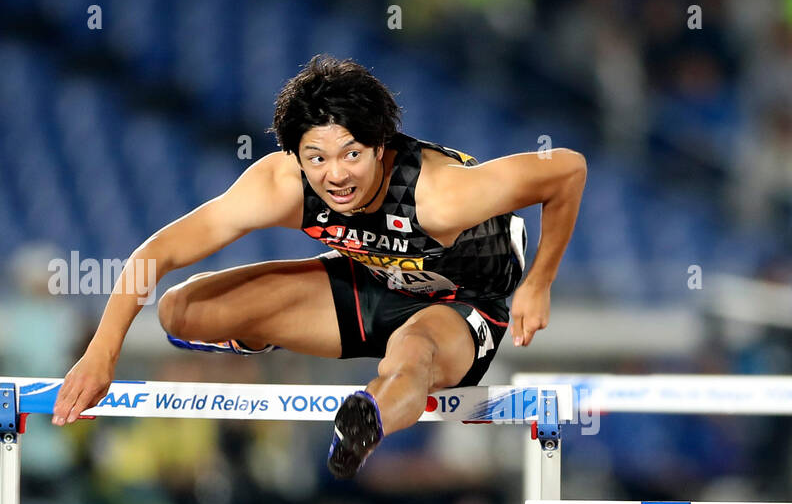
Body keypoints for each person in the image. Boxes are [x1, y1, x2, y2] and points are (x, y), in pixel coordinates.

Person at [52, 56, 587, 477]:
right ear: (295, 156)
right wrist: (103, 352)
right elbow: (158, 252)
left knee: (412, 355)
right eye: (317, 159)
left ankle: (365, 421)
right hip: (371, 281)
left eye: (352, 154)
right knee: (180, 310)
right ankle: (259, 334)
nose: (335, 176)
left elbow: (566, 171)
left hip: (461, 300)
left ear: (380, 147)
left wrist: (538, 282)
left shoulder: (441, 195)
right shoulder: (282, 185)